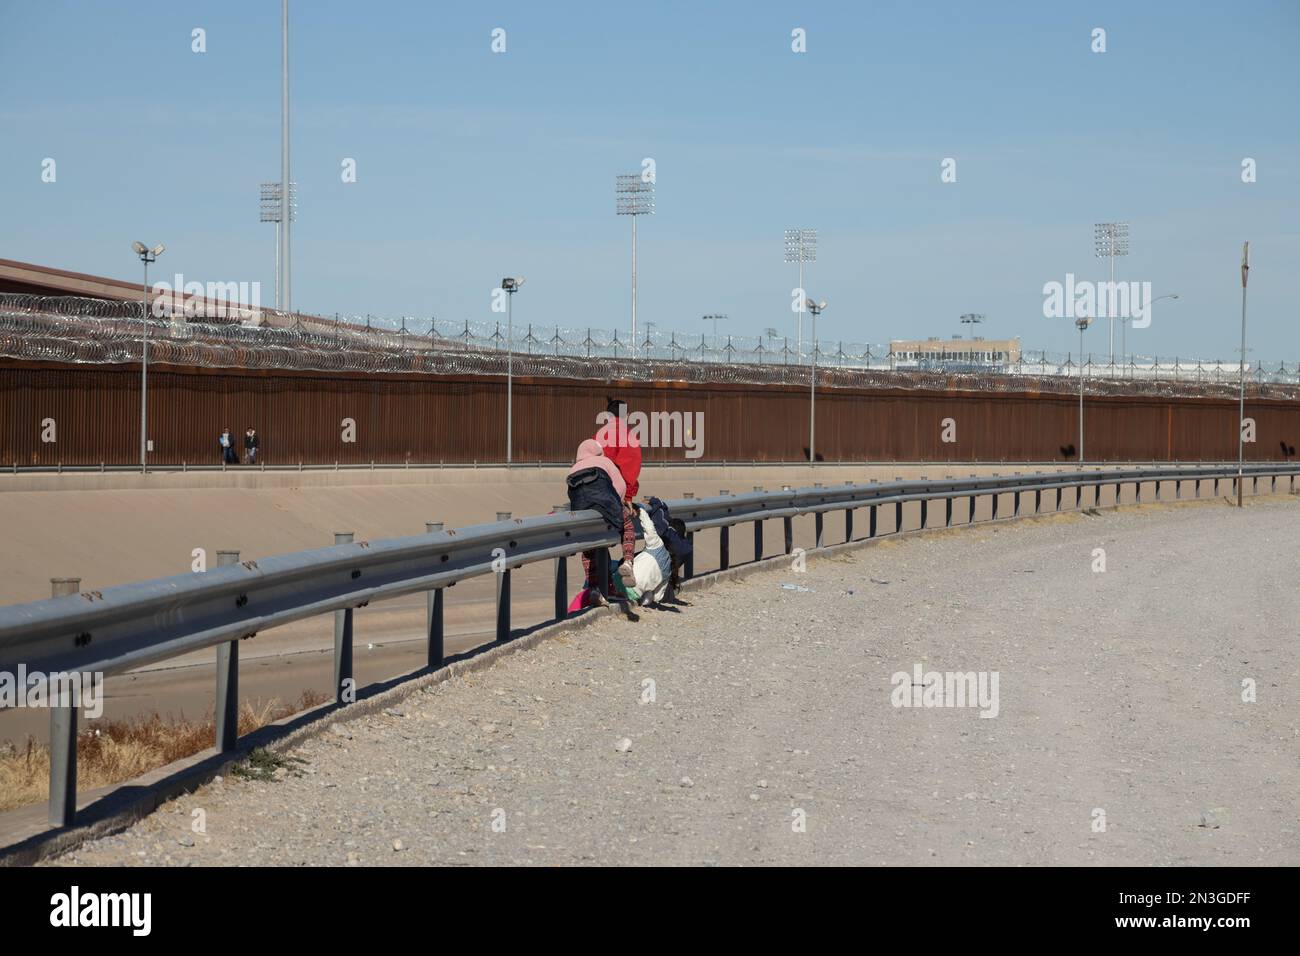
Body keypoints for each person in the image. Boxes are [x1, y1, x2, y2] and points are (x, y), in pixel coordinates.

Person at [566, 439, 638, 603]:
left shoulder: (573, 469)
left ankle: (593, 589)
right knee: (626, 527)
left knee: (588, 546)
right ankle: (628, 562)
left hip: (582, 510)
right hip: (605, 503)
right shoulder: (604, 461)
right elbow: (620, 486)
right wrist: (618, 505)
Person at [594, 398, 642, 592]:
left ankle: (598, 586)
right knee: (627, 526)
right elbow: (630, 467)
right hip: (614, 493)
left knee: (595, 538)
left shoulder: (599, 433)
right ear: (628, 415)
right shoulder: (627, 435)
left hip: (593, 491)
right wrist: (629, 496)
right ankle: (627, 564)